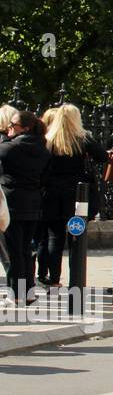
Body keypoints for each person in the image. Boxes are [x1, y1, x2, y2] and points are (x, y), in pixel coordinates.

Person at [36, 105, 109, 288]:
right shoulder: (82, 138)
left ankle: (53, 279)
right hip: (77, 194)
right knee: (77, 236)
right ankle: (75, 280)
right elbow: (102, 157)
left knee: (55, 236)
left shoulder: (48, 139)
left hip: (51, 193)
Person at [0, 111, 51, 303]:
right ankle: (28, 292)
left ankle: (16, 293)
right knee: (25, 249)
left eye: (13, 125)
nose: (9, 128)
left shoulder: (9, 148)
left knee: (13, 251)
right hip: (33, 202)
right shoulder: (43, 150)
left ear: (25, 128)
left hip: (11, 203)